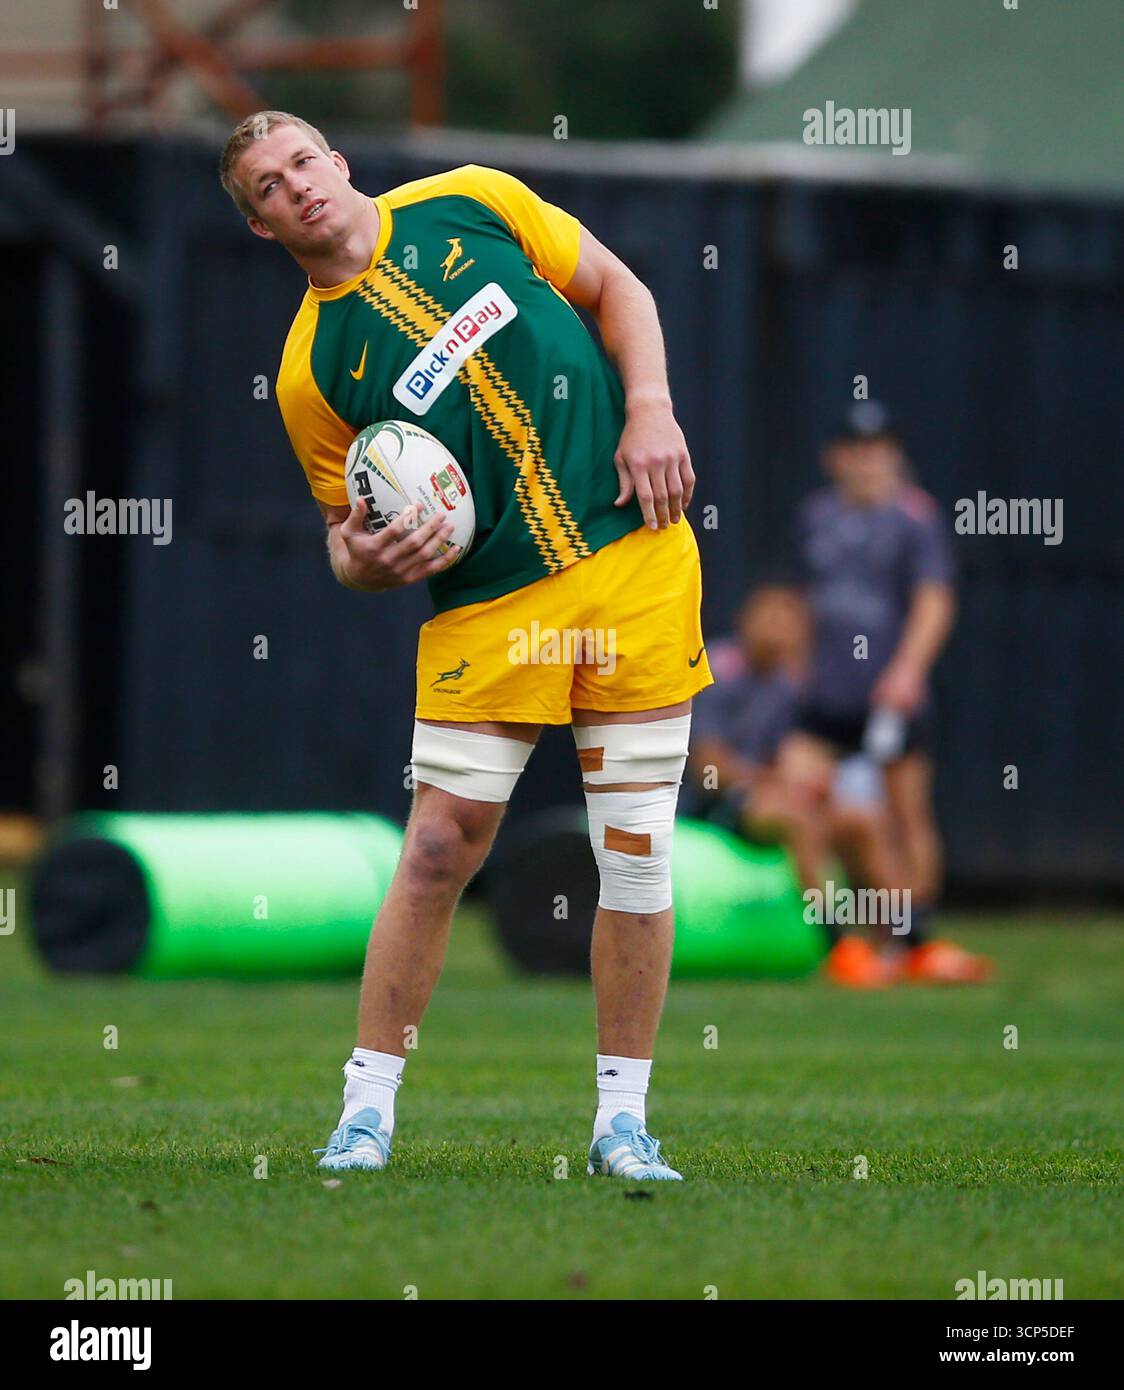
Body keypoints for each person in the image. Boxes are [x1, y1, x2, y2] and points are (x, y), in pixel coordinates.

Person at [219, 112, 711, 1179]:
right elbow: (342, 543)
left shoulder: (471, 199)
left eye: (304, 160)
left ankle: (621, 1123)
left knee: (633, 844)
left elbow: (619, 289)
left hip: (633, 552)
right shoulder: (309, 376)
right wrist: (364, 562)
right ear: (260, 226)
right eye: (267, 185)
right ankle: (365, 1112)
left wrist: (650, 406)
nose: (295, 185)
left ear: (338, 165)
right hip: (489, 602)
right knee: (440, 846)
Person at [777, 401, 993, 986]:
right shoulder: (817, 516)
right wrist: (797, 667)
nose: (865, 462)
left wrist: (907, 671)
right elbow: (799, 600)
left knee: (904, 815)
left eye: (875, 450)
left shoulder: (915, 520)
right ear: (834, 458)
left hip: (888, 700)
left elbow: (934, 600)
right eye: (854, 450)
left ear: (894, 456)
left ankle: (914, 937)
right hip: (826, 699)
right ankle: (841, 939)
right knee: (801, 803)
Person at [689, 586, 902, 975]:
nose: (778, 628)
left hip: (779, 796)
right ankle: (839, 946)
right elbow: (709, 770)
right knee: (799, 819)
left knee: (862, 820)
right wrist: (776, 778)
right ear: (744, 621)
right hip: (717, 807)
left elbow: (794, 751)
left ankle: (897, 946)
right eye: (769, 616)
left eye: (789, 620)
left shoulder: (789, 684)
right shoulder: (715, 671)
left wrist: (813, 772)